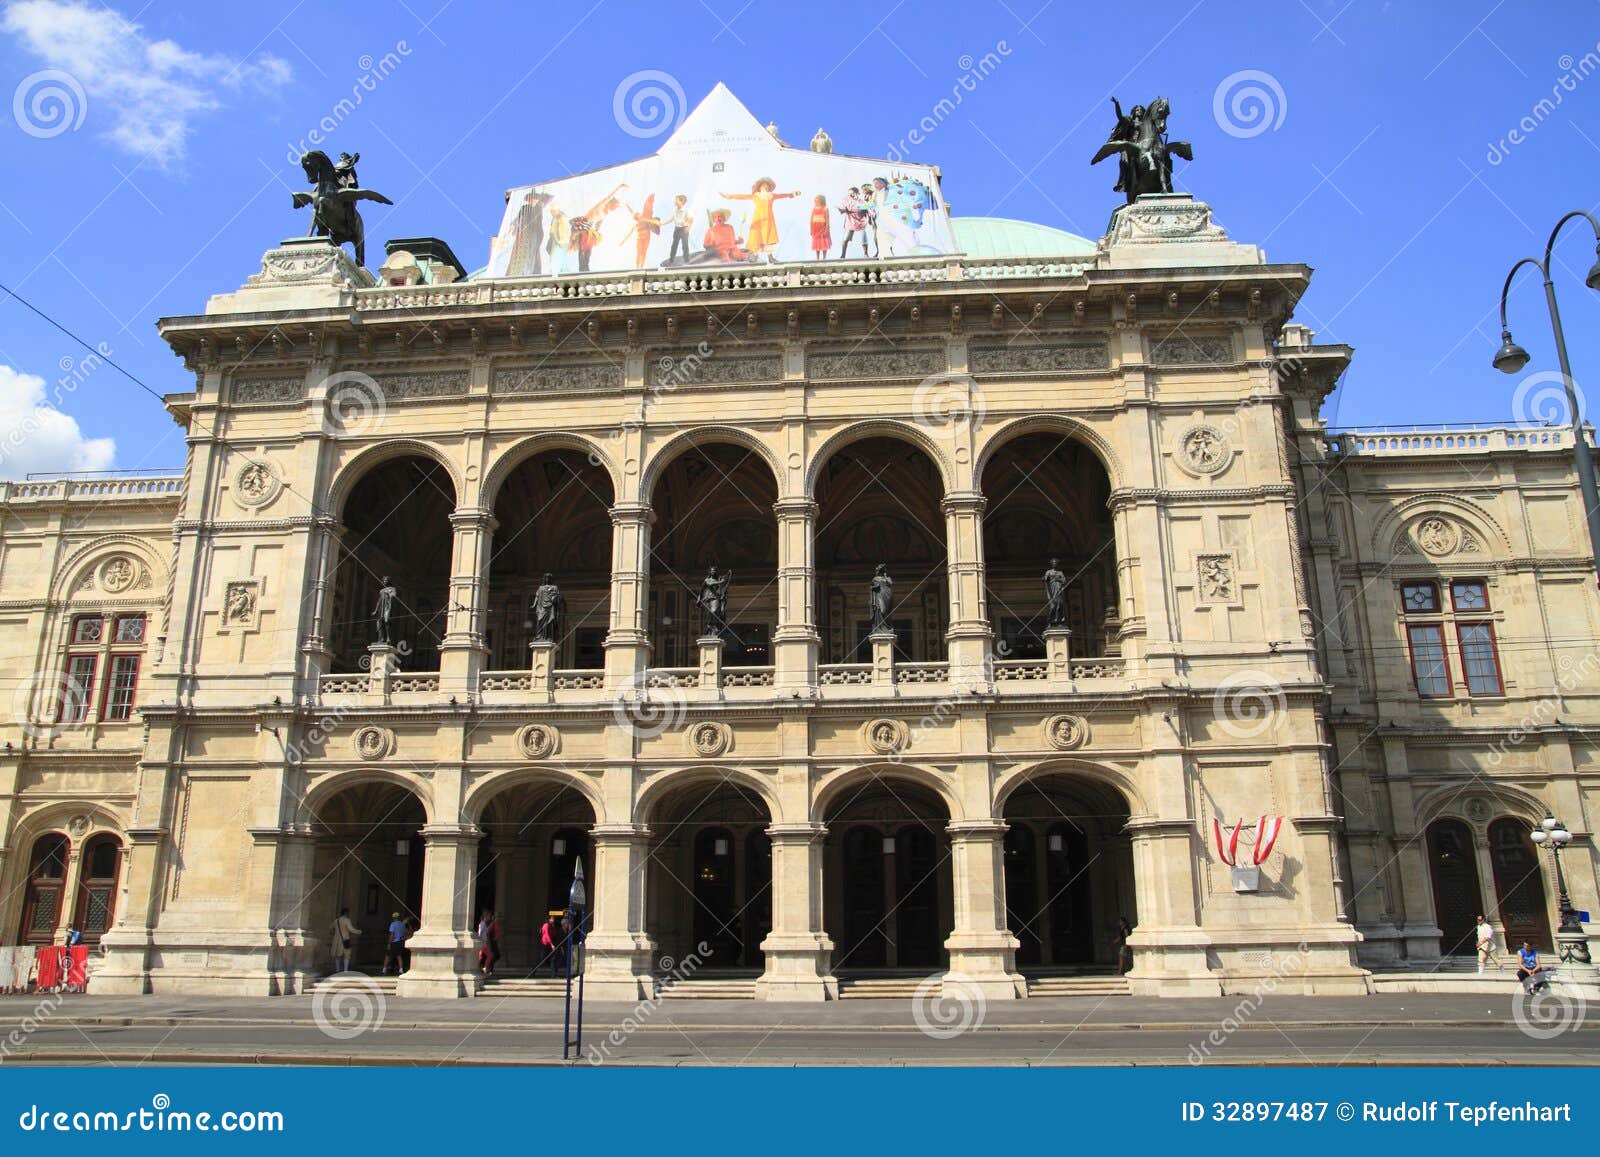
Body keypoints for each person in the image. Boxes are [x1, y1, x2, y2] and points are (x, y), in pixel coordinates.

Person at [719, 177, 801, 262]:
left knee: (768, 238)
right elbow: (743, 196)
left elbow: (783, 195)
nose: (766, 187)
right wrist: (730, 196)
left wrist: (793, 194)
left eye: (767, 186)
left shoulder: (771, 196)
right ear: (760, 187)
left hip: (768, 221)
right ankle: (755, 255)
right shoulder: (756, 196)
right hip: (758, 220)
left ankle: (770, 257)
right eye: (764, 186)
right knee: (757, 237)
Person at [837, 187, 869, 258]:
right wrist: (842, 210)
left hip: (861, 221)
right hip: (850, 221)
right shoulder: (846, 200)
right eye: (849, 194)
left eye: (852, 193)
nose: (851, 195)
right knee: (845, 239)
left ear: (857, 193)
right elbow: (844, 208)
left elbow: (866, 209)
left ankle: (866, 254)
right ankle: (843, 255)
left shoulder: (862, 201)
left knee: (863, 237)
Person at [330, 907, 361, 974]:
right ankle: (345, 970)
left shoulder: (336, 920)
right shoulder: (347, 920)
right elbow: (351, 929)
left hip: (336, 940)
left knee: (337, 955)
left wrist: (335, 934)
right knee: (347, 955)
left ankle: (337, 970)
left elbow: (331, 928)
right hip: (345, 940)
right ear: (346, 913)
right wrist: (359, 931)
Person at [665, 194, 692, 264]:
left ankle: (686, 260)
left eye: (676, 200)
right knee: (674, 245)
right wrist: (663, 223)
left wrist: (688, 227)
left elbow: (691, 219)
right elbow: (671, 219)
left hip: (684, 229)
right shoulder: (675, 211)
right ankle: (671, 260)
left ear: (681, 201)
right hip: (677, 229)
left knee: (685, 245)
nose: (675, 202)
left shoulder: (686, 211)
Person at [382, 911, 407, 976]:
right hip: (400, 941)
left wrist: (389, 943)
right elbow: (404, 934)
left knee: (388, 955)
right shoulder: (402, 924)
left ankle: (384, 969)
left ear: (393, 918)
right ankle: (401, 969)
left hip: (394, 942)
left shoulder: (393, 924)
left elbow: (392, 934)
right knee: (399, 956)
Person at [809, 194, 831, 260]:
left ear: (822, 201)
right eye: (815, 200)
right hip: (815, 228)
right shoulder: (814, 209)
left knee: (824, 242)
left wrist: (826, 229)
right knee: (817, 243)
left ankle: (824, 257)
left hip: (823, 228)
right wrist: (811, 229)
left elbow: (827, 220)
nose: (816, 201)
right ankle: (817, 258)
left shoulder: (825, 209)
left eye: (818, 200)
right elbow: (811, 220)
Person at [476, 912, 494, 977]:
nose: (489, 918)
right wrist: (481, 942)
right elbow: (480, 933)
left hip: (484, 943)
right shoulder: (482, 924)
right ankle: (484, 968)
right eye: (488, 916)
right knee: (489, 955)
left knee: (481, 956)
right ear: (485, 917)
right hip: (482, 943)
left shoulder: (484, 924)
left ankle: (482, 968)